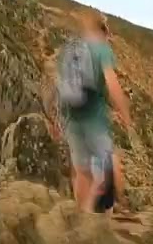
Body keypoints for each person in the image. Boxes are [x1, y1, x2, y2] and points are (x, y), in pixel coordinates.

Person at [55, 13, 132, 213]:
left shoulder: (72, 49)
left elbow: (60, 84)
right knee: (106, 168)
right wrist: (125, 113)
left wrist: (59, 117)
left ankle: (80, 216)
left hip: (71, 116)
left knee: (81, 171)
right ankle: (94, 219)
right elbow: (112, 83)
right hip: (94, 119)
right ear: (103, 32)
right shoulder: (102, 50)